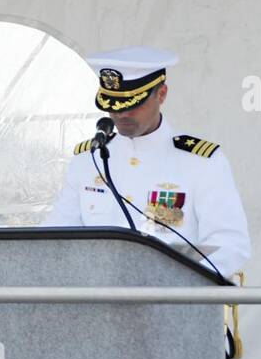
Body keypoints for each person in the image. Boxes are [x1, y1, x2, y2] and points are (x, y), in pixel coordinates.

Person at [45, 46, 250, 280]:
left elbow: (229, 245)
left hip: (171, 305)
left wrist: (169, 283)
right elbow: (56, 238)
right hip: (97, 302)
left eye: (133, 104)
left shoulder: (201, 162)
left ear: (161, 94)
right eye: (113, 105)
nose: (122, 115)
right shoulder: (87, 160)